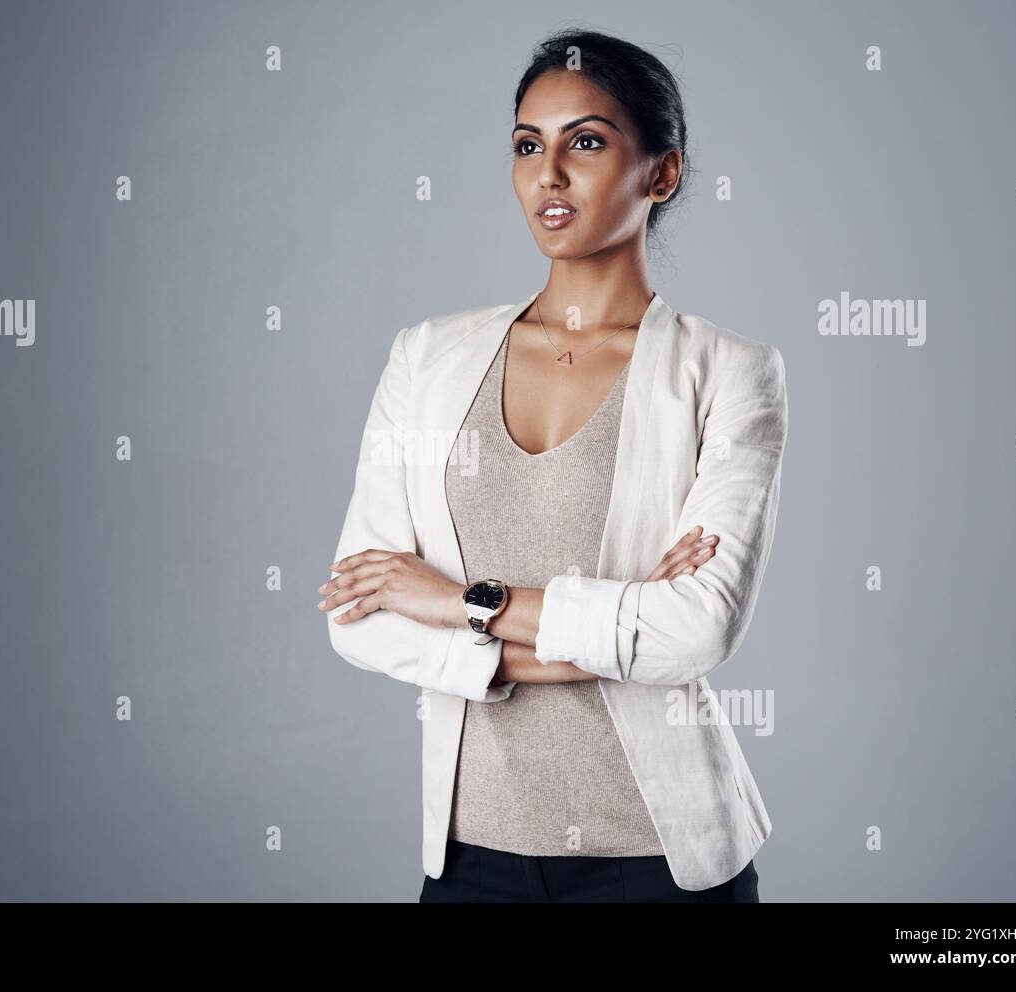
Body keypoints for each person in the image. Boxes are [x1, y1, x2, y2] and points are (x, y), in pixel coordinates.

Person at [320, 28, 787, 903]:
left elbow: (697, 632)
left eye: (587, 141)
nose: (549, 174)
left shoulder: (729, 372)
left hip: (660, 867)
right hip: (470, 862)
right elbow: (358, 615)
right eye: (528, 145)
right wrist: (618, 628)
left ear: (663, 174)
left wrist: (459, 602)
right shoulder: (427, 359)